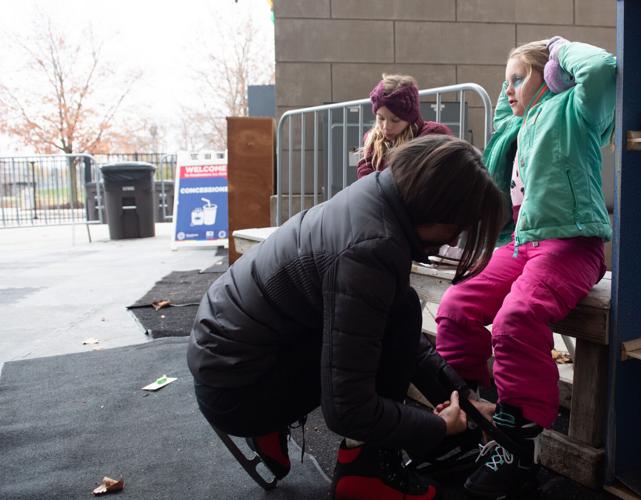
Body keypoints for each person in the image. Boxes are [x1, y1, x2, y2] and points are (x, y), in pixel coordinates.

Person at [187, 135, 506, 499]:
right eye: (458, 228)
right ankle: (365, 473)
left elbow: (375, 326)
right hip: (239, 391)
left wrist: (465, 399)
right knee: (399, 315)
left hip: (228, 360)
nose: (453, 239)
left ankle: (290, 431)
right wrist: (436, 427)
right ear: (437, 210)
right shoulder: (372, 249)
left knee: (398, 309)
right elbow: (348, 409)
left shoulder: (378, 196)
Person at [434, 37, 616, 498]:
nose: (508, 89)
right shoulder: (514, 125)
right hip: (521, 243)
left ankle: (517, 446)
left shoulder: (574, 111)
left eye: (519, 79)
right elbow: (506, 96)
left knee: (514, 320)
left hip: (572, 243)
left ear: (550, 77)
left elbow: (600, 67)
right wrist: (518, 69)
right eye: (507, 81)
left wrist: (557, 50)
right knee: (455, 308)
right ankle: (472, 416)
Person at [356, 74, 453, 179]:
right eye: (381, 118)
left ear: (410, 118)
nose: (386, 126)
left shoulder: (433, 135)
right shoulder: (372, 139)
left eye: (395, 120)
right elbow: (364, 176)